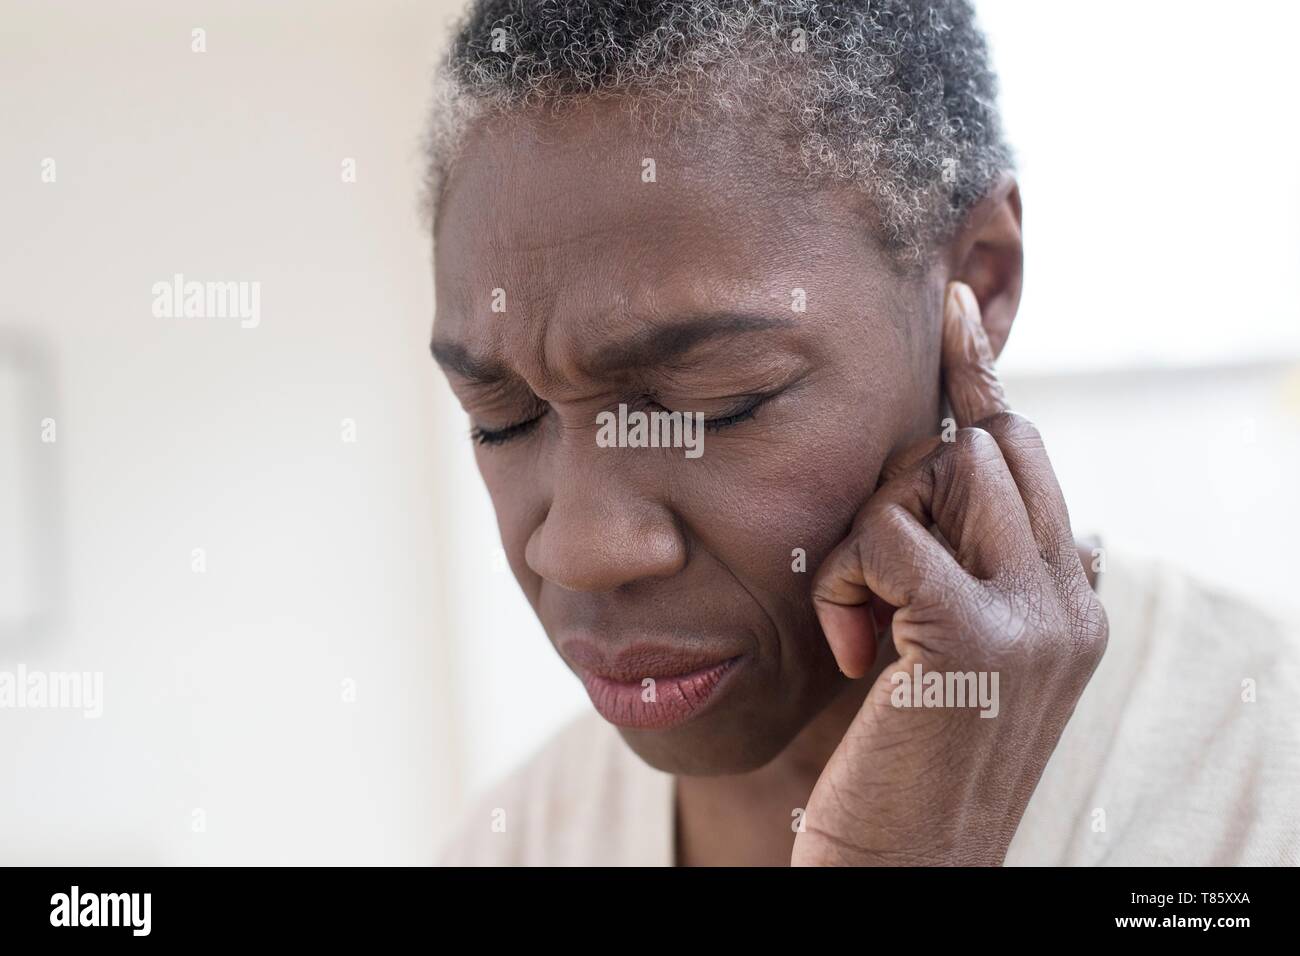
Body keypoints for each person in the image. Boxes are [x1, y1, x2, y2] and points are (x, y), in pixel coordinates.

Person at [427, 0, 1300, 866]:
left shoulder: (1260, 791)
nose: (577, 551)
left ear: (979, 283)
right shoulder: (515, 841)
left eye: (712, 402)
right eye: (500, 418)